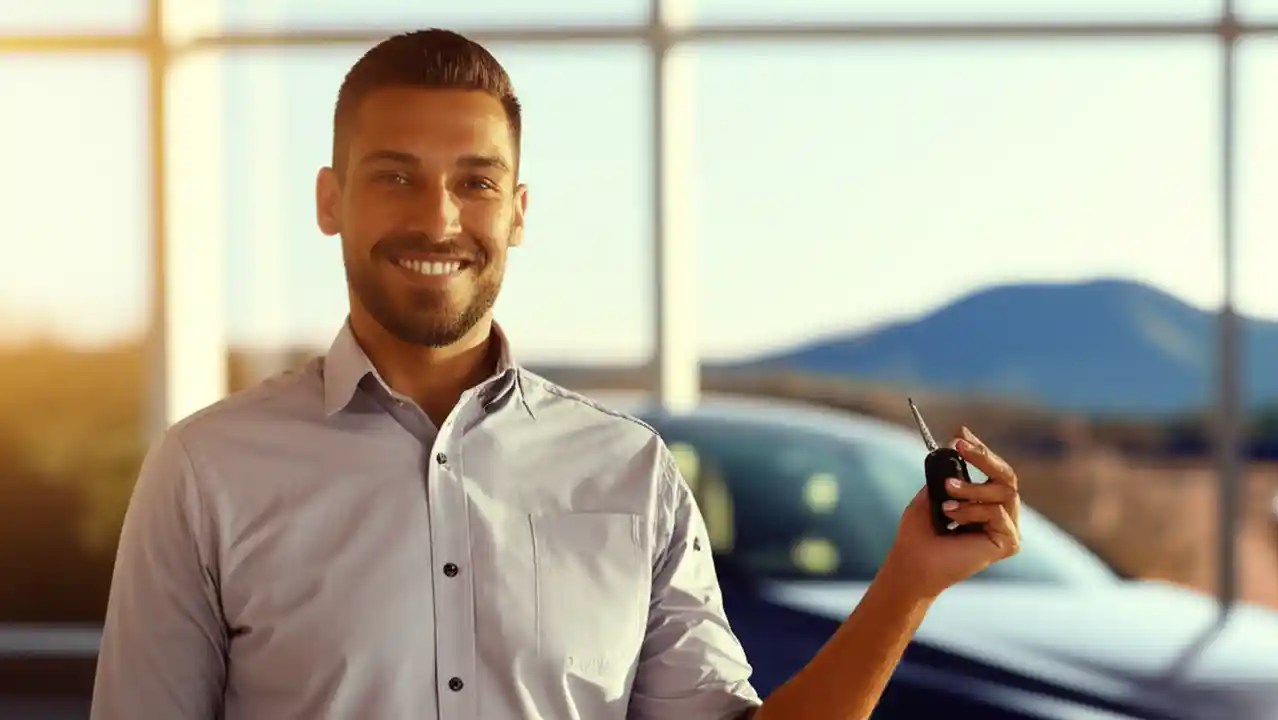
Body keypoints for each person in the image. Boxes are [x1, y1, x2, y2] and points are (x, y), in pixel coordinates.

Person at [90, 28, 1022, 720]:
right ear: (332, 200)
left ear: (519, 211)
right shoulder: (207, 471)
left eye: (477, 182)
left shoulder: (633, 476)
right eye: (396, 177)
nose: (442, 219)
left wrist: (910, 583)